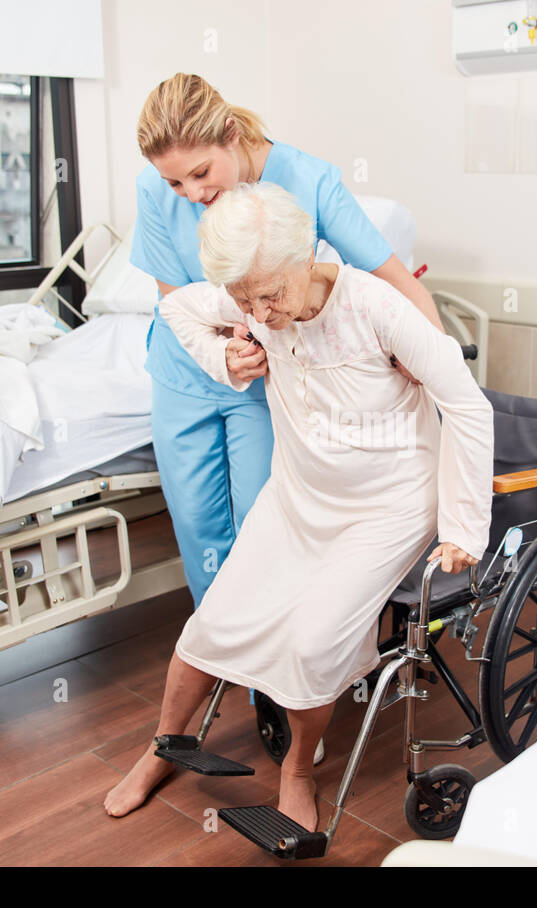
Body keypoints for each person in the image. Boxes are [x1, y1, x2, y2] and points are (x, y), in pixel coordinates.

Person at [104, 183, 493, 830]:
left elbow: (467, 405)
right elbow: (177, 309)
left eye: (271, 295)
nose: (260, 312)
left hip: (387, 506)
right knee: (213, 622)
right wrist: (223, 355)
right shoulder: (251, 296)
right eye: (244, 300)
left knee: (311, 645)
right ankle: (162, 748)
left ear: (308, 256)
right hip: (298, 495)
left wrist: (463, 526)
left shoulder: (376, 307)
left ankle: (298, 770)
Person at [130, 73, 442, 612]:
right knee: (200, 533)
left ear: (231, 134)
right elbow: (176, 299)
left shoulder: (308, 180)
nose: (193, 195)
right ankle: (223, 646)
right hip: (183, 375)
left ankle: (274, 656)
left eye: (201, 173)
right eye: (177, 184)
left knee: (267, 527)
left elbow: (393, 277)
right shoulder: (153, 189)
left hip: (268, 381)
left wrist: (436, 359)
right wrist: (219, 353)